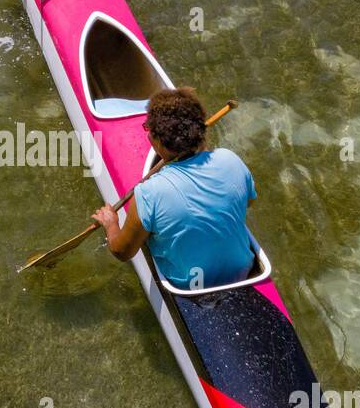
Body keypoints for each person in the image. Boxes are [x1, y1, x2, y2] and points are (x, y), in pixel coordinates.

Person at [91, 88, 258, 291]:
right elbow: (248, 202)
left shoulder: (148, 194)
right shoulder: (231, 160)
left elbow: (122, 252)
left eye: (148, 130)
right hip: (244, 270)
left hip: (192, 286)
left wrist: (111, 224)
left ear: (158, 142)